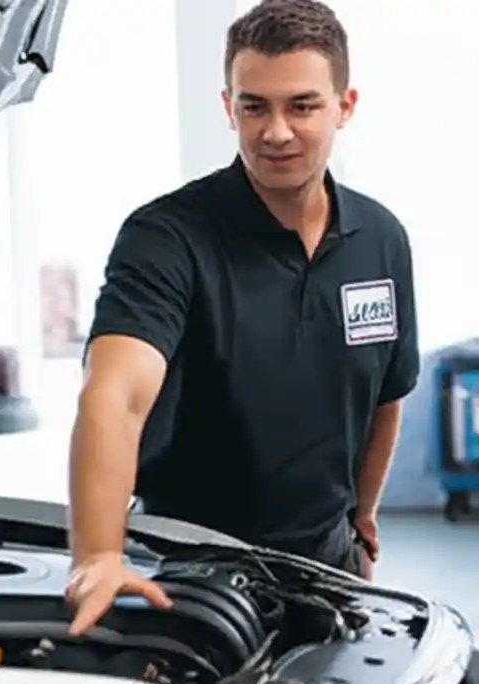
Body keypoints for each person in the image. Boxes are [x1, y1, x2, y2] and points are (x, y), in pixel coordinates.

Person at [64, 0, 419, 636]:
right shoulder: (167, 239)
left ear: (345, 106)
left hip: (325, 569)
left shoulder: (381, 239)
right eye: (255, 107)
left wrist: (362, 519)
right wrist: (98, 555)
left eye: (301, 106)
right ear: (229, 107)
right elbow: (114, 396)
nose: (275, 131)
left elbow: (386, 394)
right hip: (187, 573)